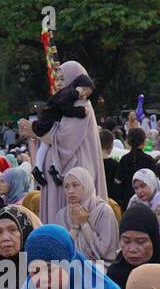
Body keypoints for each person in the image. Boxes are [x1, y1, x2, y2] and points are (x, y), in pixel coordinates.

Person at [21, 60, 107, 227]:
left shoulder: (81, 104)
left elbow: (65, 138)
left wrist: (35, 131)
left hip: (72, 173)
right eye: (57, 78)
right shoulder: (64, 103)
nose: (59, 82)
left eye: (63, 78)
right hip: (60, 176)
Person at [56, 166, 119, 264]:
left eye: (75, 185)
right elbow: (60, 252)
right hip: (70, 268)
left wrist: (85, 224)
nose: (70, 191)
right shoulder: (62, 215)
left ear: (87, 186)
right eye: (66, 186)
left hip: (100, 268)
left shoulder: (104, 212)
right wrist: (75, 226)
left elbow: (107, 252)